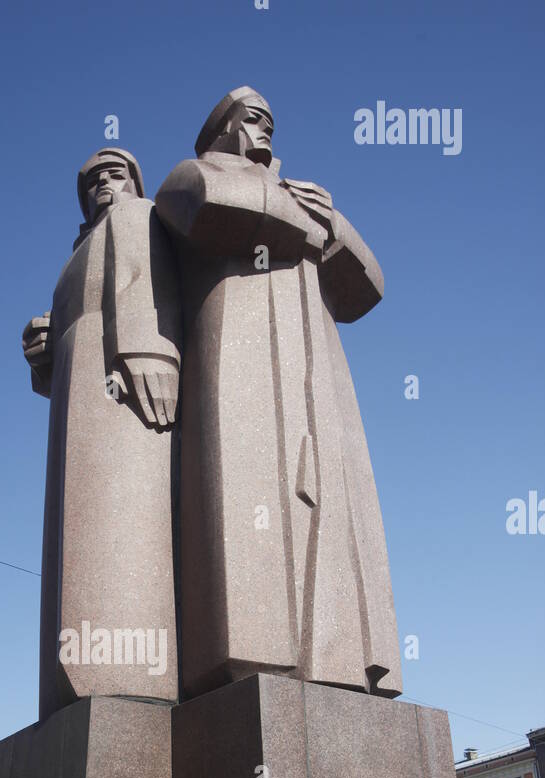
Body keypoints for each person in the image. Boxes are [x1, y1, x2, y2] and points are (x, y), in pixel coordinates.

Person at [154, 87, 402, 701]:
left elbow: (368, 289)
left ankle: (339, 663)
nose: (266, 132)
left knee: (328, 502)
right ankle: (252, 657)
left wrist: (335, 221)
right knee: (246, 496)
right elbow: (212, 205)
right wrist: (306, 219)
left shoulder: (309, 202)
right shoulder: (189, 176)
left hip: (316, 367)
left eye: (270, 122)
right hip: (237, 359)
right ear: (225, 127)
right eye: (255, 119)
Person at [23, 147, 181, 721]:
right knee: (74, 532)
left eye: (114, 174)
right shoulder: (73, 257)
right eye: (90, 181)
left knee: (122, 522)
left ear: (134, 180)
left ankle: (124, 669)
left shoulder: (137, 217)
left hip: (121, 376)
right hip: (76, 388)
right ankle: (77, 678)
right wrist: (42, 355)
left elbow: (146, 281)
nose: (102, 187)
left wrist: (148, 352)